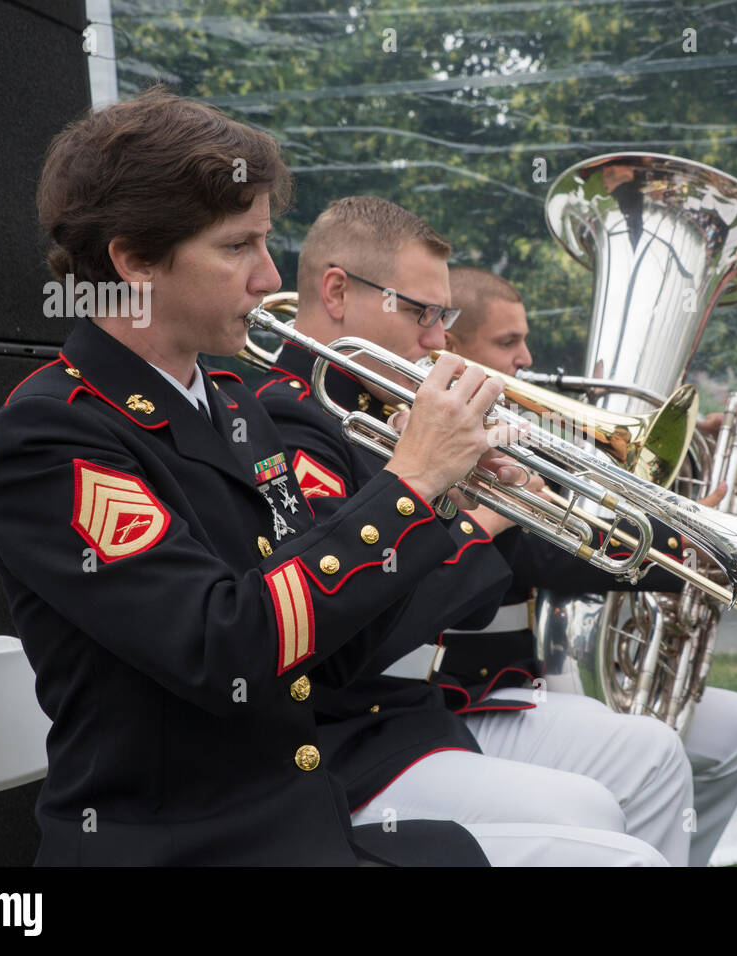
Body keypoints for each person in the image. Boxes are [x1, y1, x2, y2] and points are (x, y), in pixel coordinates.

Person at [0, 88, 658, 867]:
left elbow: (329, 650)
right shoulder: (52, 432)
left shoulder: (228, 399)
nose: (270, 277)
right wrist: (408, 484)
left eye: (265, 243)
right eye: (238, 247)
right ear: (133, 261)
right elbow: (223, 645)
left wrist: (447, 501)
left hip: (302, 826)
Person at [255, 196, 693, 865]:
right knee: (595, 813)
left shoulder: (383, 407)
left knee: (653, 760)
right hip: (351, 742)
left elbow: (478, 585)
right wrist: (474, 512)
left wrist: (500, 491)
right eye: (421, 312)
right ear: (338, 291)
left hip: (412, 719)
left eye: (445, 315)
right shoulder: (288, 420)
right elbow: (350, 629)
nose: (437, 338)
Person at [444, 266, 737, 867]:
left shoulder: (519, 427)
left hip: (547, 682)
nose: (526, 356)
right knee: (648, 754)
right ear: (449, 344)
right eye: (506, 342)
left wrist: (696, 455)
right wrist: (686, 539)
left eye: (523, 339)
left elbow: (616, 484)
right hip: (480, 696)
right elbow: (557, 553)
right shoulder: (457, 441)